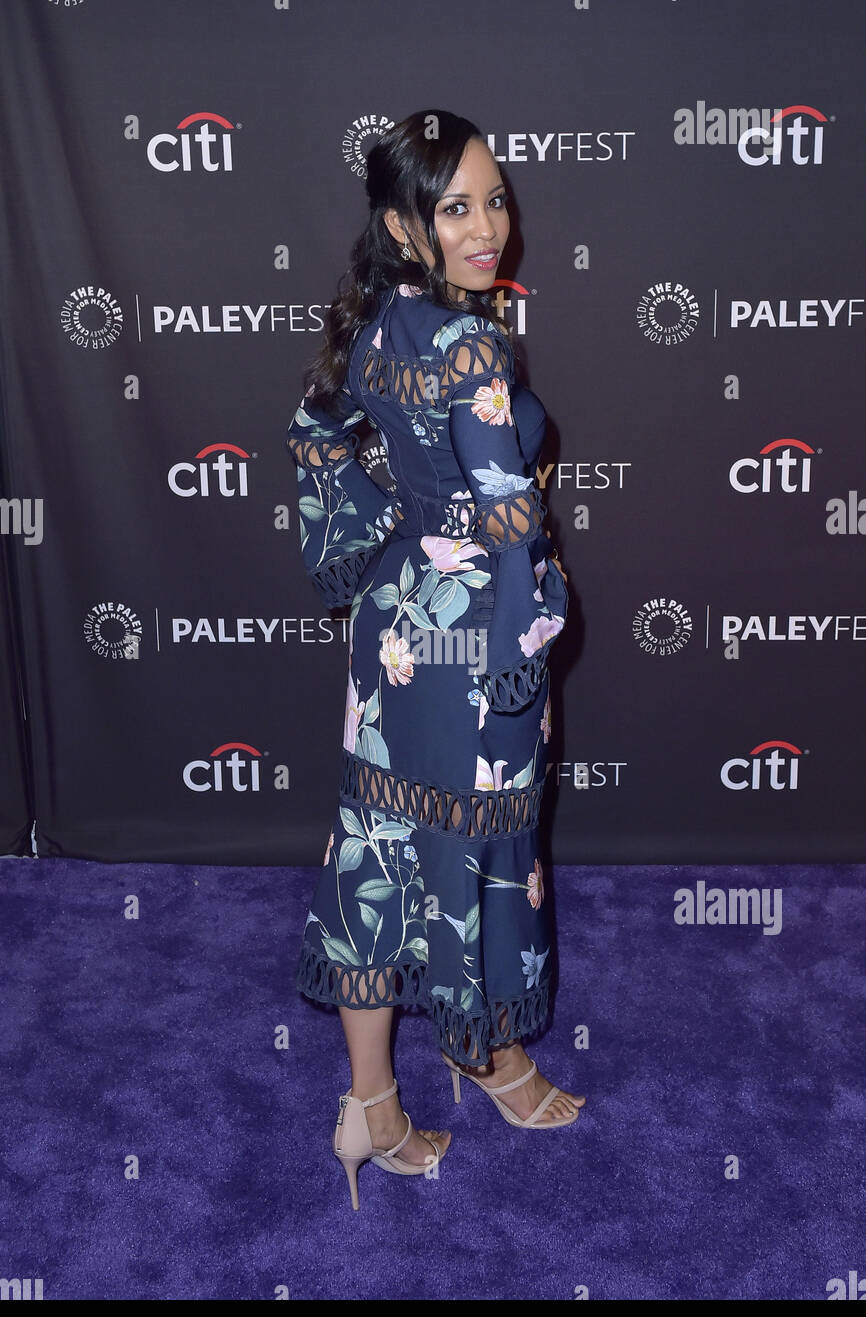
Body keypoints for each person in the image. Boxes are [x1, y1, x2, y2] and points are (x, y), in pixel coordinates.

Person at [287, 110, 585, 1210]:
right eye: (455, 207)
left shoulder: (371, 320)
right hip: (472, 642)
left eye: (494, 199)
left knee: (378, 845)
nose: (486, 226)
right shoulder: (470, 343)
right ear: (403, 224)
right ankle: (491, 1059)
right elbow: (509, 520)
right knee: (476, 863)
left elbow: (317, 435)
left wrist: (379, 547)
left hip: (397, 629)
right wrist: (523, 660)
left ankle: (370, 1103)